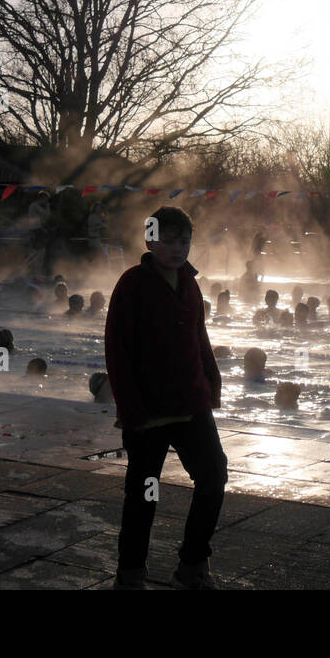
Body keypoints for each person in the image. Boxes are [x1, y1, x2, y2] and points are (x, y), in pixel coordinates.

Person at [105, 207, 225, 590]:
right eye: (168, 240)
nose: (177, 248)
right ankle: (131, 574)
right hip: (148, 412)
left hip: (192, 405)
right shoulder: (133, 284)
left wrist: (212, 380)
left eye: (184, 240)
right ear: (150, 241)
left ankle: (192, 564)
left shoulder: (190, 283)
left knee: (213, 476)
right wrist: (130, 408)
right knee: (145, 493)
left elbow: (198, 338)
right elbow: (117, 351)